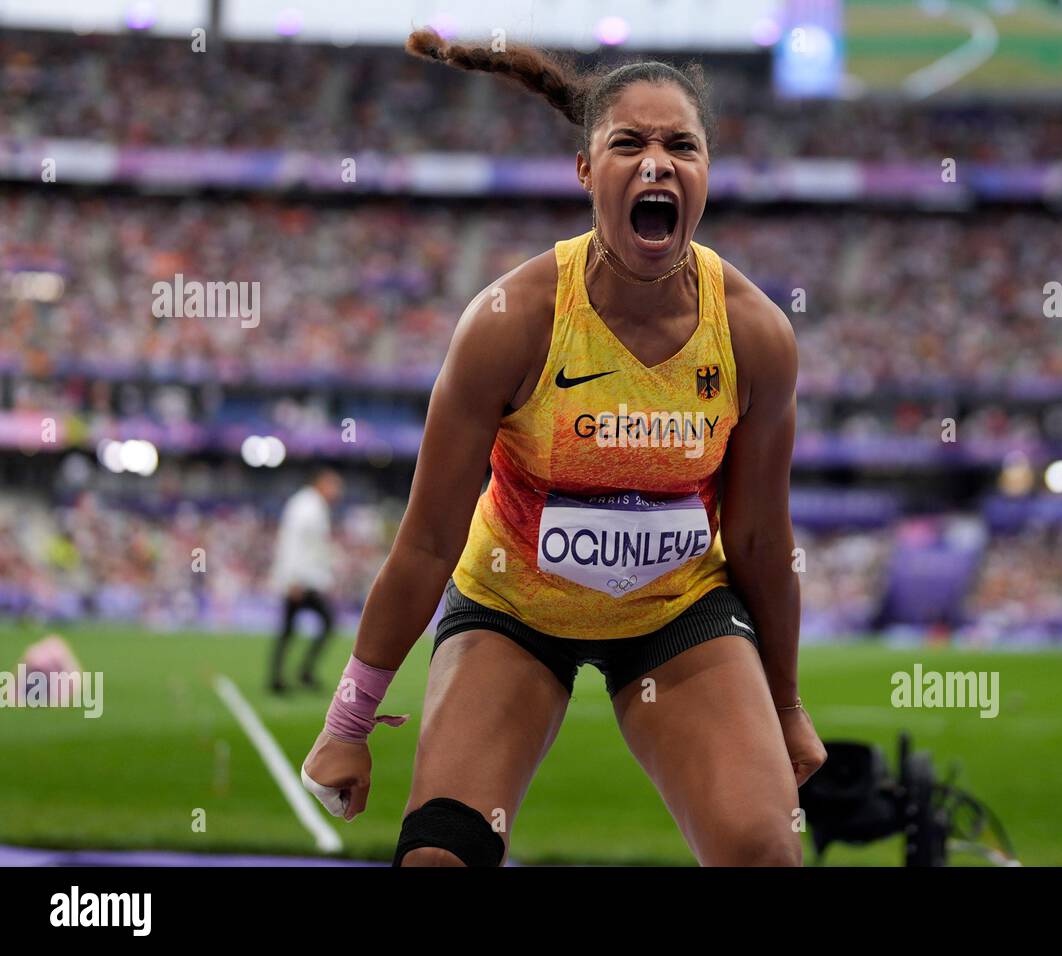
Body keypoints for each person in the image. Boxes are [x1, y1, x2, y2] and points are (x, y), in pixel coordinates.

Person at [300, 29, 826, 866]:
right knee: (439, 857)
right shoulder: (512, 322)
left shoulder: (755, 334)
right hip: (516, 611)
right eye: (629, 143)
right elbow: (429, 540)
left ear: (706, 176)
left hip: (675, 614)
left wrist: (788, 707)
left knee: (766, 854)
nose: (657, 162)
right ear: (587, 172)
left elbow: (761, 541)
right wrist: (347, 724)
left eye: (680, 145)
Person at [268, 468, 343, 693]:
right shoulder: (305, 506)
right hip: (301, 581)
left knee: (290, 629)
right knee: (314, 624)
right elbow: (293, 542)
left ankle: (287, 676)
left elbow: (314, 548)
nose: (337, 492)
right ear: (320, 483)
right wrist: (292, 578)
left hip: (309, 579)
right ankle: (292, 675)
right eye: (334, 486)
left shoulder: (313, 506)